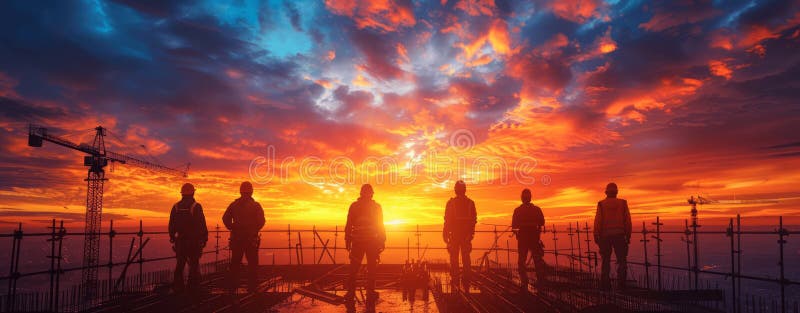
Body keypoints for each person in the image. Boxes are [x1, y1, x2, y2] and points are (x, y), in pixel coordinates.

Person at [344, 184, 386, 304]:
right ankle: (366, 292)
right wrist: (382, 240)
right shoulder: (373, 207)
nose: (367, 194)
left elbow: (349, 224)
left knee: (358, 268)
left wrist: (347, 239)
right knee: (365, 268)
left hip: (364, 242)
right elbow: (349, 223)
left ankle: (353, 293)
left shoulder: (356, 206)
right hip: (367, 242)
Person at [223, 181, 265, 293]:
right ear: (251, 192)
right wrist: (254, 230)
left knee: (235, 263)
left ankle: (232, 288)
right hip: (250, 240)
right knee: (252, 263)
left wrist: (232, 227)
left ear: (240, 191)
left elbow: (225, 218)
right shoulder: (255, 206)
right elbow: (261, 221)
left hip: (237, 239)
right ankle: (252, 287)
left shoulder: (234, 205)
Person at [168, 183, 208, 293]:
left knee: (180, 264)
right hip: (193, 241)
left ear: (182, 193)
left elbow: (171, 224)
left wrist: (172, 236)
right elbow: (201, 224)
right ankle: (193, 288)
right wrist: (204, 238)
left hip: (180, 241)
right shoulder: (196, 206)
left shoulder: (176, 207)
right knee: (194, 264)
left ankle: (178, 287)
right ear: (193, 193)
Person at [593, 182, 632, 290]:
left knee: (605, 261)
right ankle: (621, 285)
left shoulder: (601, 204)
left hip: (605, 237)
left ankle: (605, 285)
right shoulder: (623, 203)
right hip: (620, 236)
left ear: (606, 192)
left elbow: (597, 221)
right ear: (616, 192)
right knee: (622, 261)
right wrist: (628, 236)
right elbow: (627, 221)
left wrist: (596, 235)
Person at [442, 180, 477, 290]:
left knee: (454, 258)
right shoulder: (471, 203)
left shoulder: (451, 203)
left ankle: (455, 279)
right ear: (465, 190)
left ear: (455, 190)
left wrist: (445, 234)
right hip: (466, 235)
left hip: (454, 235)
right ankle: (467, 279)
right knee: (466, 258)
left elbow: (447, 220)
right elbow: (473, 220)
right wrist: (470, 234)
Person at [511, 188, 546, 292]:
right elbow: (542, 222)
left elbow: (514, 226)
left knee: (522, 262)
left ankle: (524, 282)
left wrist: (519, 231)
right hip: (534, 238)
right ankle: (540, 282)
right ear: (530, 198)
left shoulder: (518, 211)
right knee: (537, 261)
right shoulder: (537, 210)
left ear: (522, 198)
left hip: (523, 239)